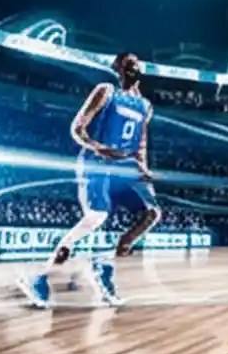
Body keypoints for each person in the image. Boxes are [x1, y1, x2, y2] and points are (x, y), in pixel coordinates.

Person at [18, 52, 160, 308]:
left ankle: (104, 264)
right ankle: (40, 276)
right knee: (96, 217)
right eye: (128, 64)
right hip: (97, 161)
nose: (134, 67)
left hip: (126, 165)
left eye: (136, 64)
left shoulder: (145, 106)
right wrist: (98, 147)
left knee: (152, 213)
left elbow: (141, 143)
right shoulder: (106, 92)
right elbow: (77, 129)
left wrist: (143, 167)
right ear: (118, 69)